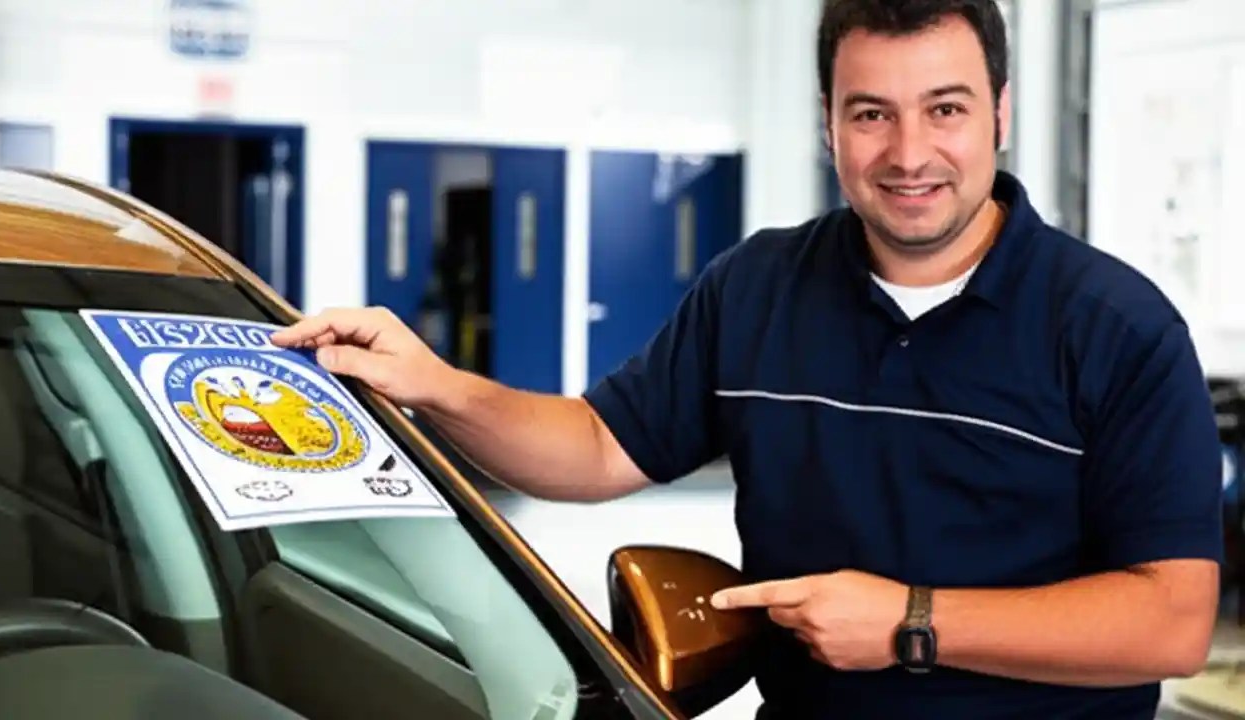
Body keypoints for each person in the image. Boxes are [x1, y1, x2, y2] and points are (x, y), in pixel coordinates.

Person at [271, 0, 1224, 716]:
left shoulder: (1116, 327)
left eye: (945, 109)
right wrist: (438, 385)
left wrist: (911, 622)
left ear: (1000, 113)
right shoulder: (760, 285)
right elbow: (601, 446)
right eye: (870, 114)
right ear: (828, 122)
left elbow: (1172, 622)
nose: (909, 152)